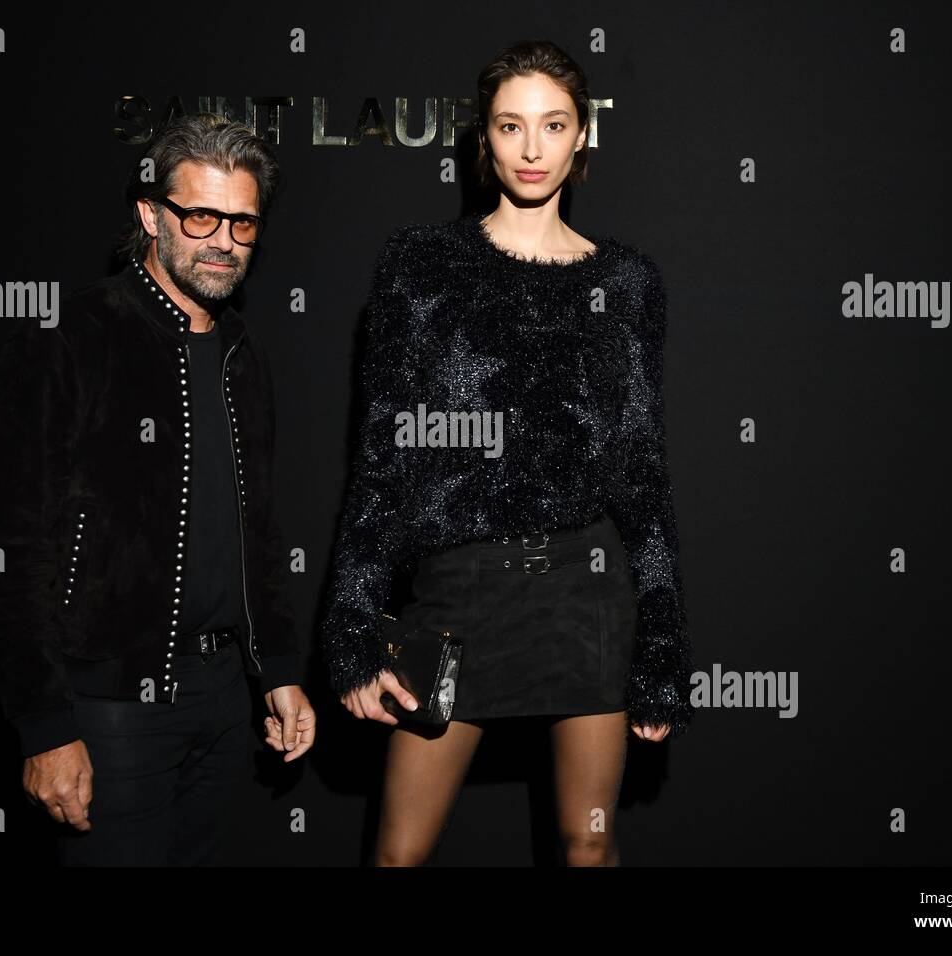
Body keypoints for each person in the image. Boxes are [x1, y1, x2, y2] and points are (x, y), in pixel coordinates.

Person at [319, 39, 696, 866]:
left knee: (589, 848)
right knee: (398, 855)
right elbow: (382, 457)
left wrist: (663, 642)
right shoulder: (421, 264)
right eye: (510, 126)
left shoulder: (628, 282)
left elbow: (641, 470)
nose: (531, 149)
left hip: (587, 593)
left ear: (582, 136)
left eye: (553, 125)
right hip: (459, 593)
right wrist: (351, 627)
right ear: (482, 139)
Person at [0, 114, 314, 865]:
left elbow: (256, 533)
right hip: (110, 706)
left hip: (226, 703)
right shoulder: (70, 336)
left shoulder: (244, 357)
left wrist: (278, 674)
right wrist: (45, 725)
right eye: (201, 215)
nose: (223, 239)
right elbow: (9, 550)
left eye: (243, 223)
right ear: (152, 215)